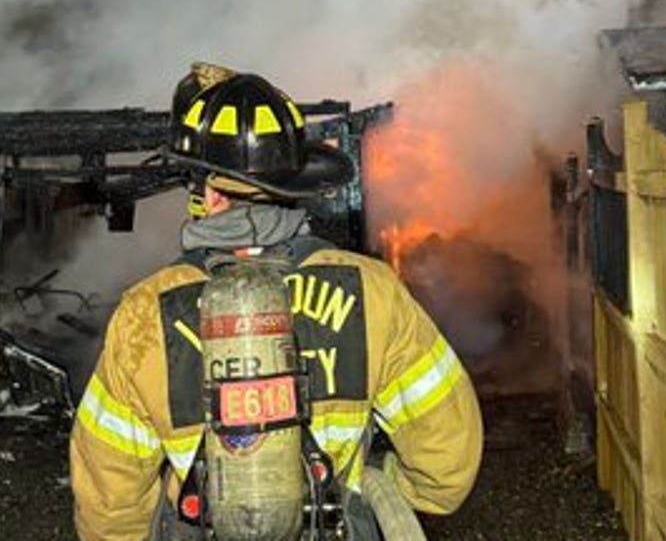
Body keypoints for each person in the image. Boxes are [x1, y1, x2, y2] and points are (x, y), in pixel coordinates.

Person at [70, 72, 483, 540]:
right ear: (294, 183)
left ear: (211, 193)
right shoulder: (372, 290)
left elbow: (108, 501)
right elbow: (448, 465)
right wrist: (379, 490)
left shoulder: (146, 311)